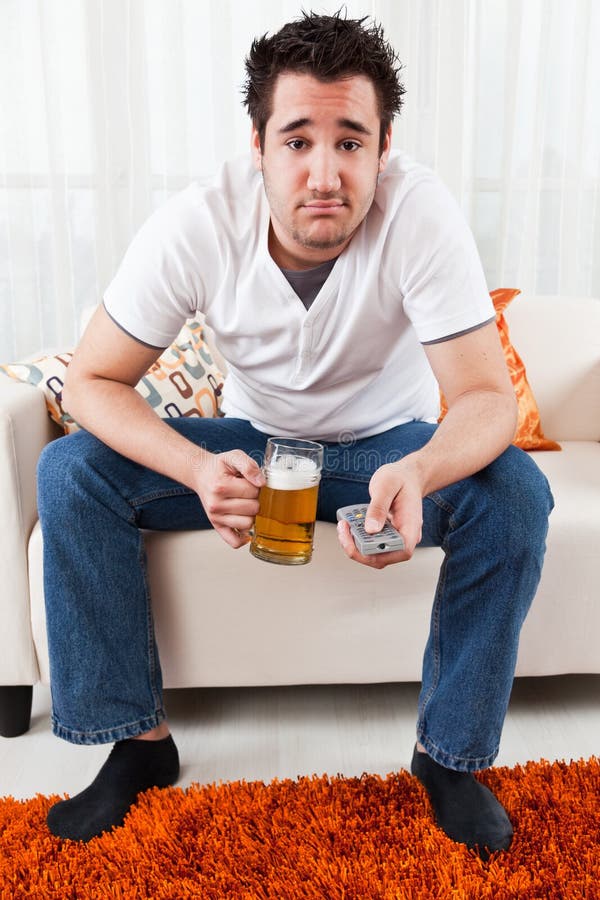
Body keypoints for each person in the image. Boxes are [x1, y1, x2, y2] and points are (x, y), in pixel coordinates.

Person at [37, 10, 553, 856]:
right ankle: (138, 743)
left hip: (385, 446)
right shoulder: (197, 223)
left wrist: (421, 470)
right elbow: (93, 381)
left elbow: (486, 401)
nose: (324, 173)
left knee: (517, 493)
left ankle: (448, 757)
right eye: (298, 140)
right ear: (259, 145)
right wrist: (195, 469)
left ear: (384, 149)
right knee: (69, 471)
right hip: (252, 443)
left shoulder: (420, 214)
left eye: (351, 142)